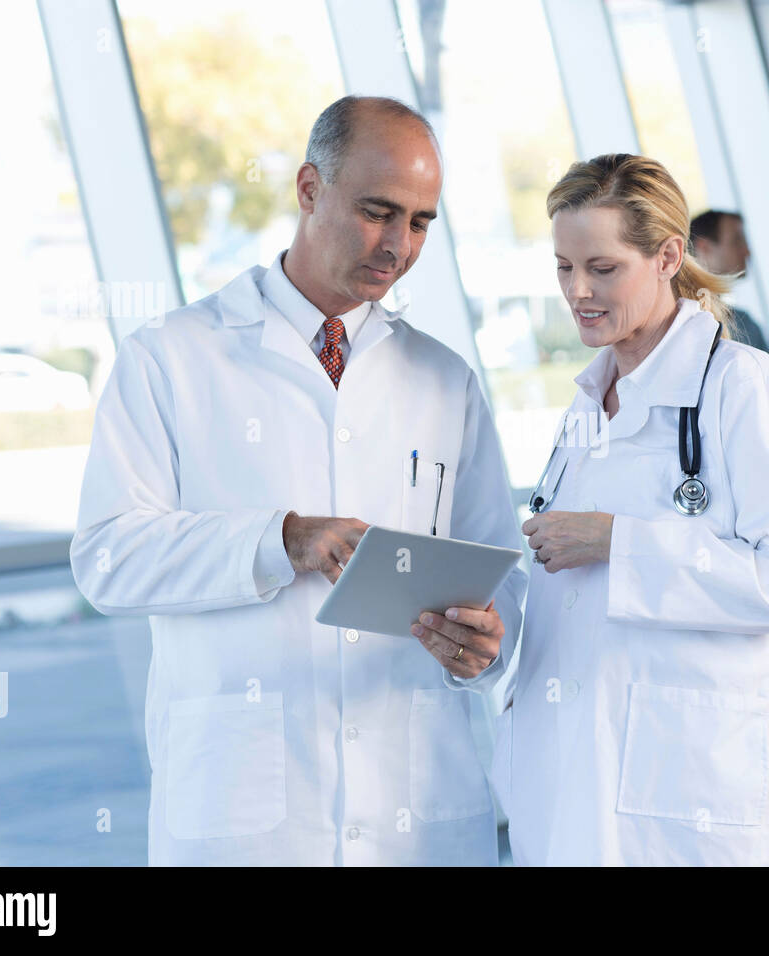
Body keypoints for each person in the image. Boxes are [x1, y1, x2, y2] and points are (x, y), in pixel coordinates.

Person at [70, 96, 527, 866]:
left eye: (420, 223)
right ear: (309, 188)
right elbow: (108, 558)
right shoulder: (172, 358)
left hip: (416, 813)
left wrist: (489, 640)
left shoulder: (444, 380)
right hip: (249, 816)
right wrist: (280, 539)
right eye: (378, 212)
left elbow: (500, 572)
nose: (399, 245)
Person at [498, 154, 769, 866]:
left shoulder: (743, 388)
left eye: (603, 267)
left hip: (685, 795)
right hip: (569, 779)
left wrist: (621, 542)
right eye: (563, 267)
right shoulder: (586, 403)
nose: (578, 290)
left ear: (667, 257)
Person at [689, 209, 769, 359]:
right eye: (736, 241)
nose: (746, 252)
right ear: (704, 248)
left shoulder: (746, 325)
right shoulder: (681, 321)